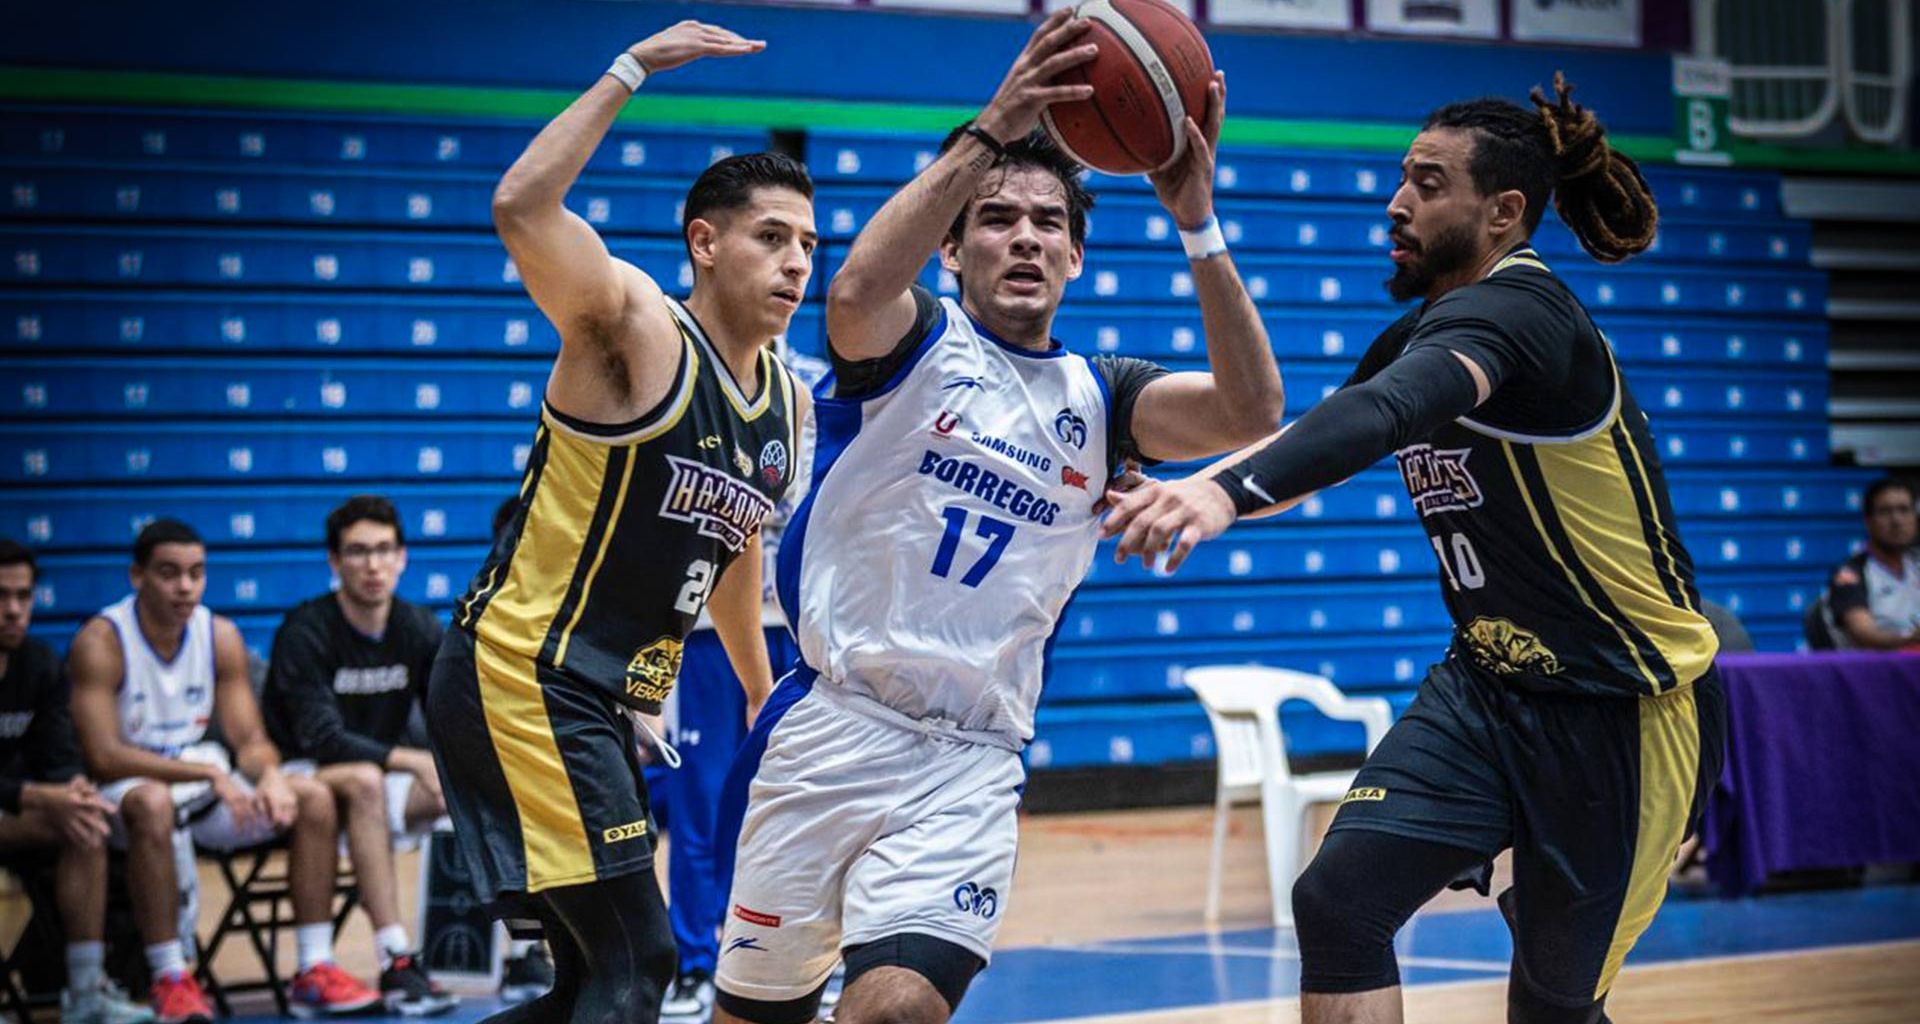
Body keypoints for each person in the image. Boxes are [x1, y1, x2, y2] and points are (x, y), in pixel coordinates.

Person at [1101, 76, 1727, 1024]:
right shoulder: (1426, 331)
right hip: (1487, 686)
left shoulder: (1525, 316)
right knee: (1338, 901)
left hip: (1624, 709)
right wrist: (1182, 487)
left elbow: (1387, 410)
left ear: (1504, 212)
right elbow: (1324, 439)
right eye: (1401, 179)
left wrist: (1219, 492)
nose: (1397, 203)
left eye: (1428, 185)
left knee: (1553, 1008)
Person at [713, 13, 1284, 1024]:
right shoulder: (911, 344)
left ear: (1074, 257)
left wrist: (1197, 220)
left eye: (1048, 223)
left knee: (894, 1010)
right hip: (832, 726)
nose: (1024, 235)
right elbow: (849, 293)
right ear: (952, 248)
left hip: (969, 761)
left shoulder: (1102, 398)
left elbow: (1251, 412)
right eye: (996, 218)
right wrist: (993, 126)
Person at [423, 20, 812, 1024]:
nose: (797, 261)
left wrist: (764, 698)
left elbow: (732, 551)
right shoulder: (636, 325)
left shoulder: (784, 404)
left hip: (597, 696)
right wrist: (631, 70)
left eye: (810, 243)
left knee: (597, 980)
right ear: (705, 242)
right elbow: (519, 205)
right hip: (523, 669)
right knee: (639, 965)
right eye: (772, 237)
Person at [67, 519, 382, 1023]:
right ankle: (170, 975)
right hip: (125, 796)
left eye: (196, 573)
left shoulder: (219, 635)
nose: (185, 587)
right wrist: (204, 774)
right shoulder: (102, 641)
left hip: (200, 786)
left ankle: (313, 968)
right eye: (169, 574)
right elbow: (103, 755)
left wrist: (272, 778)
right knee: (151, 802)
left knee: (314, 798)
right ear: (136, 576)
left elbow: (249, 741)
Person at [652, 335, 828, 1024]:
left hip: (801, 628)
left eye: (800, 247)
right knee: (700, 803)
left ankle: (811, 965)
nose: (787, 265)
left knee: (806, 808)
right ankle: (696, 964)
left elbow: (817, 508)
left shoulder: (816, 388)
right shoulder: (680, 380)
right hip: (702, 633)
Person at [261, 495, 457, 1016]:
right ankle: (395, 957)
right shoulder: (306, 631)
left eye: (384, 550)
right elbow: (321, 738)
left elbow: (450, 716)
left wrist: (455, 767)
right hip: (301, 778)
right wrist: (416, 761)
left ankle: (516, 953)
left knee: (470, 784)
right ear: (334, 561)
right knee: (369, 779)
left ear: (402, 557)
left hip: (377, 776)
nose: (373, 565)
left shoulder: (416, 626)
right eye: (357, 552)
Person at [0, 540, 152, 1023]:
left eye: (23, 597)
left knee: (85, 824)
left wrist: (73, 791)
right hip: (16, 801)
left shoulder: (39, 664)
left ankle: (85, 990)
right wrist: (35, 794)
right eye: (1, 597)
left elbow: (60, 754)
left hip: (14, 810)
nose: (13, 611)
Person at [1820, 476, 1919, 650]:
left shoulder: (1916, 565)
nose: (1896, 520)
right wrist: (1910, 638)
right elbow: (1865, 635)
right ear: (1868, 522)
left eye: (1904, 510)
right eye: (1885, 512)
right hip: (1875, 672)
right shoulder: (1851, 574)